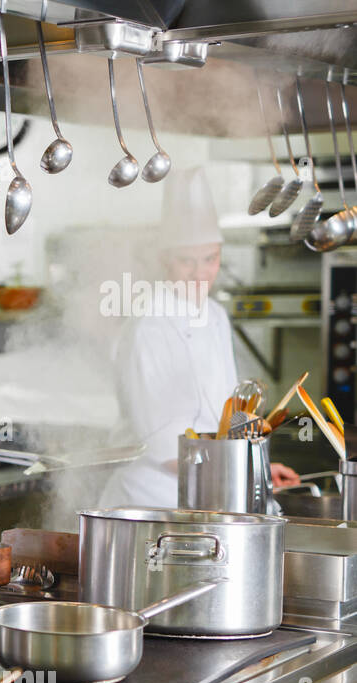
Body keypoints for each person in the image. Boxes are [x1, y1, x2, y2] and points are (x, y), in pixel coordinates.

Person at [100, 167, 299, 508]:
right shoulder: (149, 325)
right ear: (165, 260)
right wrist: (244, 475)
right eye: (186, 261)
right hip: (154, 497)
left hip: (210, 485)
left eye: (210, 259)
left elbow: (227, 416)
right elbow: (162, 442)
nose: (201, 273)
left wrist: (259, 469)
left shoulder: (215, 315)